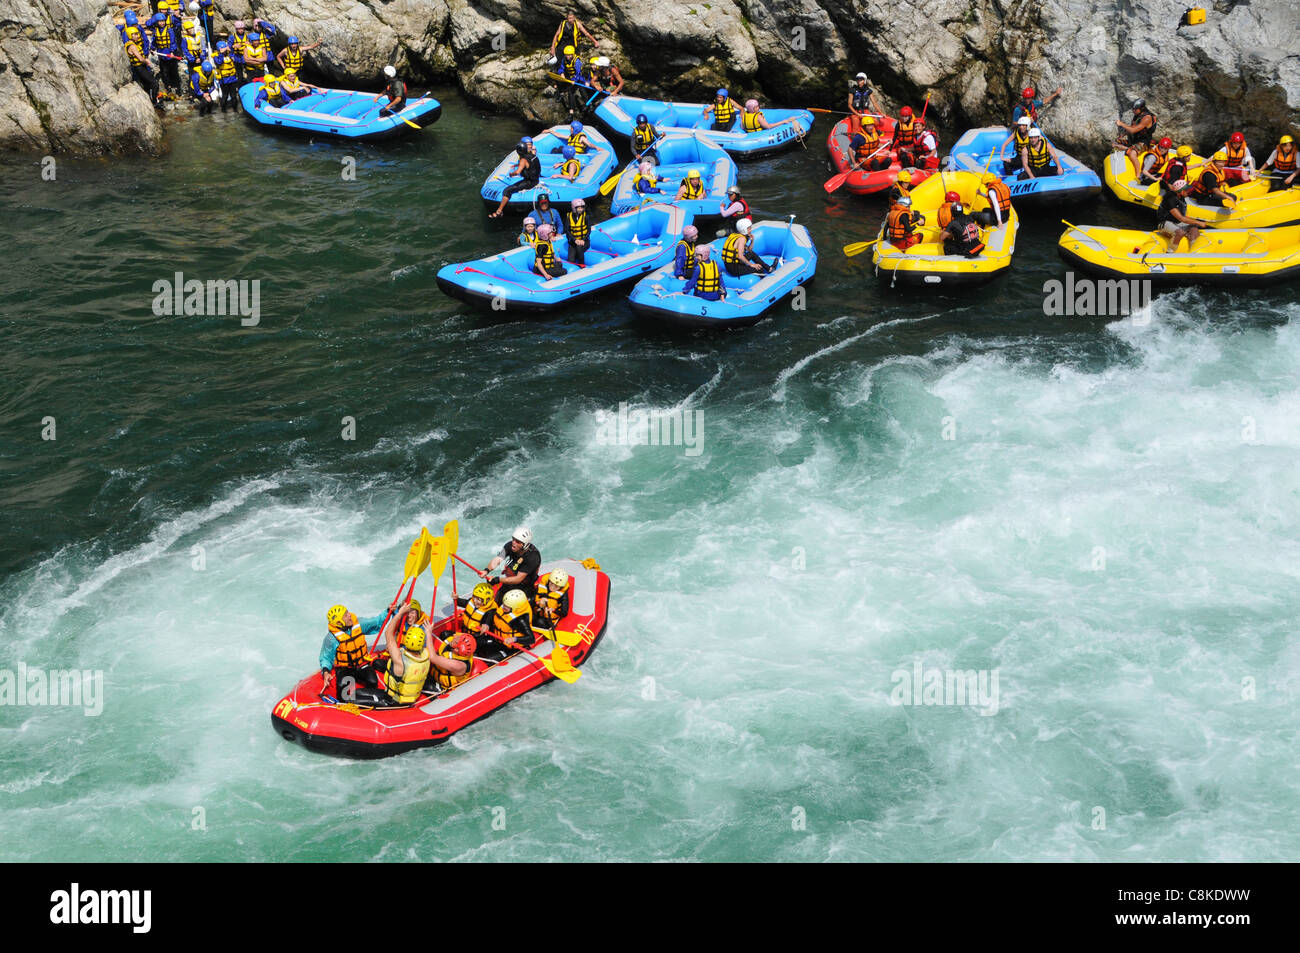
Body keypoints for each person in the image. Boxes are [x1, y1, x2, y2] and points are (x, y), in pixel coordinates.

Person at [318, 604, 376, 697]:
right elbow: (326, 657)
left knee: (372, 681)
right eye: (346, 615)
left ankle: (368, 702)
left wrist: (393, 610)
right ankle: (345, 704)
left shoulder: (359, 624)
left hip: (361, 664)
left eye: (347, 612)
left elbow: (377, 621)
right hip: (345, 669)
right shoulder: (331, 638)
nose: (349, 615)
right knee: (343, 687)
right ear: (339, 623)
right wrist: (325, 672)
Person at [481, 527, 542, 603]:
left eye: (518, 542)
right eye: (513, 539)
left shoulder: (532, 557)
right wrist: (486, 570)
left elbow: (518, 579)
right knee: (497, 602)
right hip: (510, 582)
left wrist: (498, 580)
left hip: (525, 588)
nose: (514, 543)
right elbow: (498, 559)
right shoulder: (510, 545)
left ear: (525, 545)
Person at [488, 137, 539, 218]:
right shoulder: (532, 155)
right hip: (535, 179)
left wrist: (511, 174)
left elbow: (518, 172)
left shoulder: (523, 160)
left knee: (507, 190)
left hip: (530, 182)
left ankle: (499, 211)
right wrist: (518, 165)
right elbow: (530, 165)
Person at [1157, 179, 1211, 251]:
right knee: (1180, 232)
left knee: (1194, 229)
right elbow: (1181, 218)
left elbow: (1184, 216)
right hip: (1164, 224)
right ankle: (1170, 252)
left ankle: (1194, 252)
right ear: (1181, 191)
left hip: (1177, 223)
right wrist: (1198, 222)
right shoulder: (1170, 199)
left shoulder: (1181, 197)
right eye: (1187, 190)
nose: (1189, 192)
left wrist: (1196, 222)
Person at [485, 590, 539, 660]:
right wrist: (486, 624)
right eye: (504, 604)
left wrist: (514, 639)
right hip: (498, 640)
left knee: (490, 659)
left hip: (511, 648)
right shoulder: (505, 607)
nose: (503, 607)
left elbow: (531, 639)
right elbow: (492, 613)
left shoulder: (519, 620)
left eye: (507, 607)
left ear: (515, 608)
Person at [1117, 98, 1158, 166]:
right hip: (1134, 141)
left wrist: (1121, 124)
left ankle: (1138, 174)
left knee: (1132, 153)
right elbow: (1132, 127)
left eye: (1135, 109)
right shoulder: (1137, 116)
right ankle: (1126, 155)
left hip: (1143, 143)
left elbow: (1133, 130)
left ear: (1141, 108)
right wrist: (1124, 134)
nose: (1133, 111)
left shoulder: (1147, 118)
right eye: (1133, 109)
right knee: (1116, 142)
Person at [148, 11, 181, 97]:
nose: (162, 23)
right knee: (164, 72)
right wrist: (152, 48)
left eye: (163, 21)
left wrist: (172, 51)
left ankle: (177, 87)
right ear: (157, 22)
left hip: (170, 54)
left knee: (174, 71)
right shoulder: (156, 31)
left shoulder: (170, 30)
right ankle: (168, 86)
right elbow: (154, 41)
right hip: (162, 54)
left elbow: (173, 42)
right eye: (160, 21)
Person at [123, 33, 160, 108]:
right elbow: (140, 58)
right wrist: (147, 62)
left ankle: (150, 100)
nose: (138, 36)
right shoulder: (132, 46)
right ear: (131, 35)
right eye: (135, 34)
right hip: (139, 68)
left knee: (146, 85)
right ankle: (154, 102)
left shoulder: (132, 44)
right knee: (154, 84)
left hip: (140, 67)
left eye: (137, 34)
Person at [212, 42, 239, 109]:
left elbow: (235, 59)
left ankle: (235, 108)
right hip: (224, 79)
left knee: (233, 95)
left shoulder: (229, 54)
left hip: (232, 78)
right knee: (225, 95)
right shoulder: (216, 56)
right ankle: (223, 109)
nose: (224, 51)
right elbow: (219, 62)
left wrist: (232, 49)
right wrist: (221, 53)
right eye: (222, 49)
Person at [565, 198, 590, 266]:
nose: (580, 209)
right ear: (574, 208)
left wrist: (583, 240)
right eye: (578, 208)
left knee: (579, 248)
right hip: (573, 242)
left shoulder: (586, 217)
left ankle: (582, 264)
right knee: (571, 260)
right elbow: (567, 230)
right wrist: (574, 240)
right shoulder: (569, 217)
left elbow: (589, 230)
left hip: (584, 241)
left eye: (582, 207)